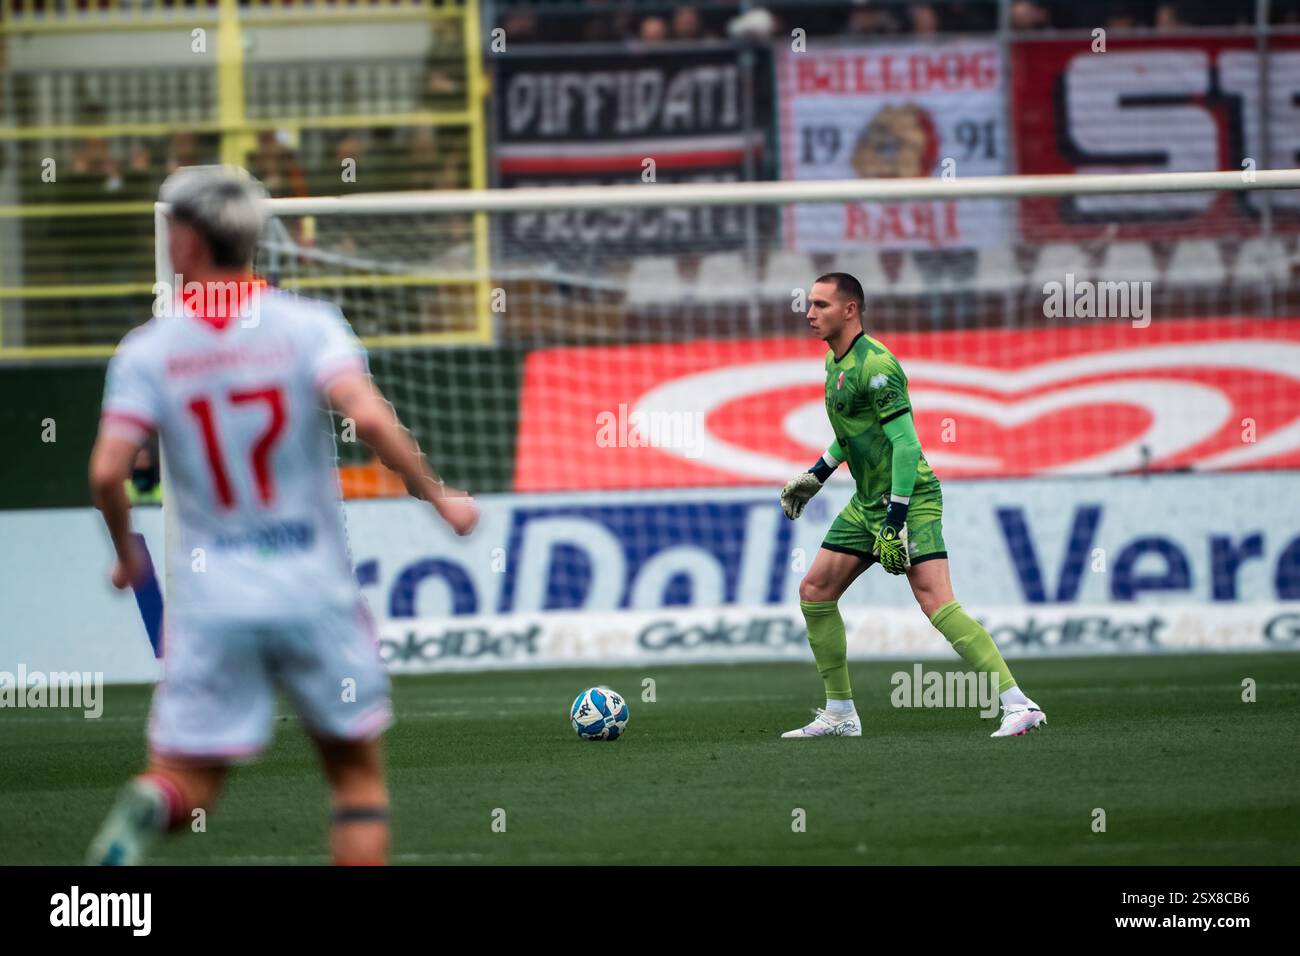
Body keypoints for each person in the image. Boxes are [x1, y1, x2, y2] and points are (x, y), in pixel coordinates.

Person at [86, 166, 478, 865]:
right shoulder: (308, 326)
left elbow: (108, 471)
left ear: (182, 243)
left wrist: (125, 553)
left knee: (188, 779)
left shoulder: (148, 351)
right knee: (356, 782)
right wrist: (437, 495)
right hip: (312, 586)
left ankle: (157, 802)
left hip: (212, 598)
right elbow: (369, 419)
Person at [779, 273, 1046, 739]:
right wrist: (816, 475)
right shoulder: (833, 363)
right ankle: (840, 713)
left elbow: (905, 446)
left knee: (934, 600)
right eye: (810, 304)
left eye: (821, 304)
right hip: (866, 503)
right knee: (815, 590)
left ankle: (1020, 705)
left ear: (850, 310)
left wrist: (895, 520)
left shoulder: (877, 366)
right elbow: (853, 435)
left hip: (911, 498)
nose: (809, 312)